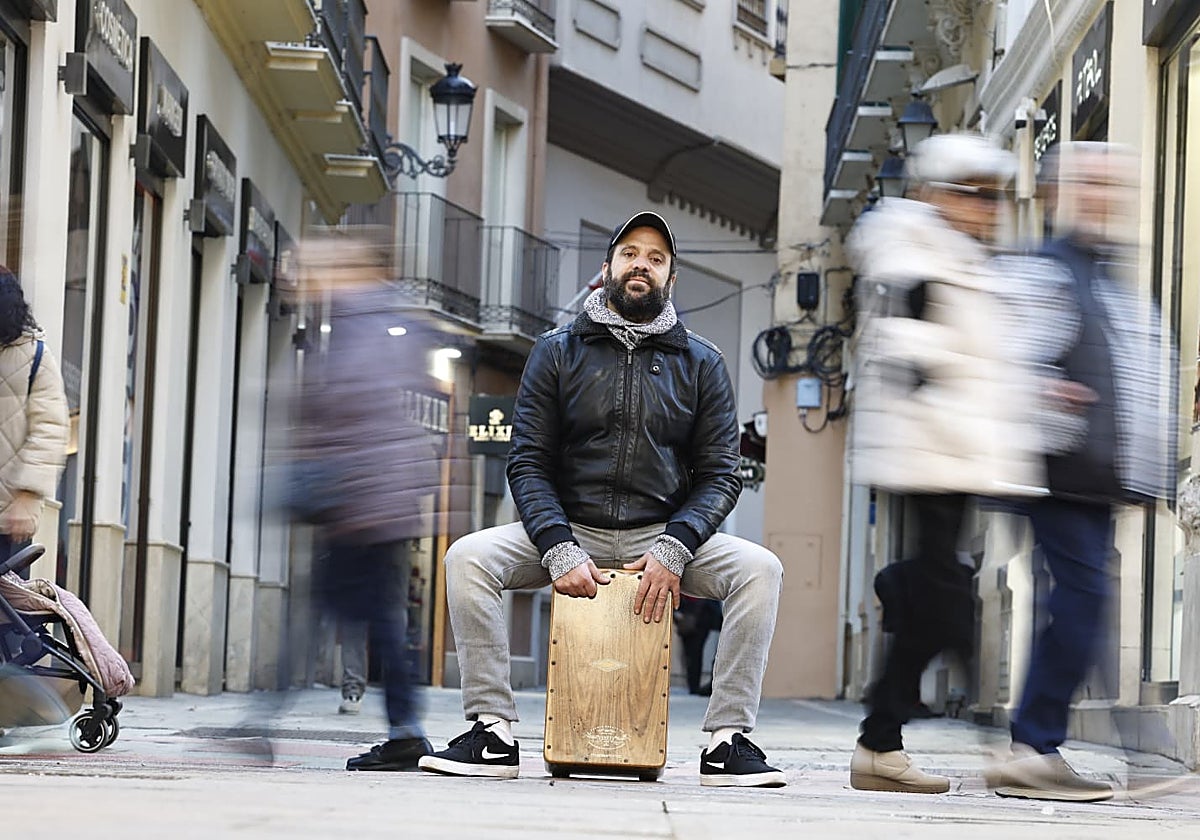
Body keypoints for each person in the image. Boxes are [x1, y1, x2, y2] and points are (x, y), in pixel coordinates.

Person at [419, 210, 786, 787]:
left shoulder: (703, 363)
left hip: (661, 535)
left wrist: (677, 546)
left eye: (657, 258)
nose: (642, 263)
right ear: (609, 267)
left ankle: (727, 741)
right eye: (631, 253)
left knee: (760, 570)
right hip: (570, 528)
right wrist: (557, 545)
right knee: (468, 557)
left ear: (670, 279)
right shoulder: (556, 352)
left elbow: (721, 474)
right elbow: (528, 460)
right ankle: (492, 731)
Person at [845, 134, 1043, 794]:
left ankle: (881, 742)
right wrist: (974, 438)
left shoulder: (963, 258)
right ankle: (1005, 749)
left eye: (994, 197)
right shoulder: (916, 255)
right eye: (975, 195)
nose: (989, 210)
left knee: (938, 600)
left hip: (954, 457)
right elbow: (913, 364)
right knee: (949, 602)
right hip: (927, 452)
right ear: (937, 194)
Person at [990, 142, 1174, 802]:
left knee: (1086, 608)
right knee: (1082, 603)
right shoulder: (1048, 269)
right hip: (1055, 470)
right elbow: (1006, 359)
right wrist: (1045, 390)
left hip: (1096, 478)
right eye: (1090, 184)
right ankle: (1033, 745)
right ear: (1061, 192)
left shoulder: (1104, 275)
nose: (1103, 196)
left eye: (1111, 185)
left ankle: (1071, 746)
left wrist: (1146, 473)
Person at [289, 233, 441, 772]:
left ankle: (257, 723)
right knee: (377, 620)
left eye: (319, 266)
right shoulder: (376, 318)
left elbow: (355, 406)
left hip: (366, 501)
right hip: (376, 499)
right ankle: (405, 730)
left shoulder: (362, 320)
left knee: (318, 614)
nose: (309, 275)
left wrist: (322, 463)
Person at [0, 267, 69, 569]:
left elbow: (51, 429)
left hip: (6, 518)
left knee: (7, 610)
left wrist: (27, 495)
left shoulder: (36, 357)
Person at [674, 595, 722, 695]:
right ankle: (693, 685)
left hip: (701, 615)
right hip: (690, 613)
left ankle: (694, 686)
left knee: (694, 653)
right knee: (691, 654)